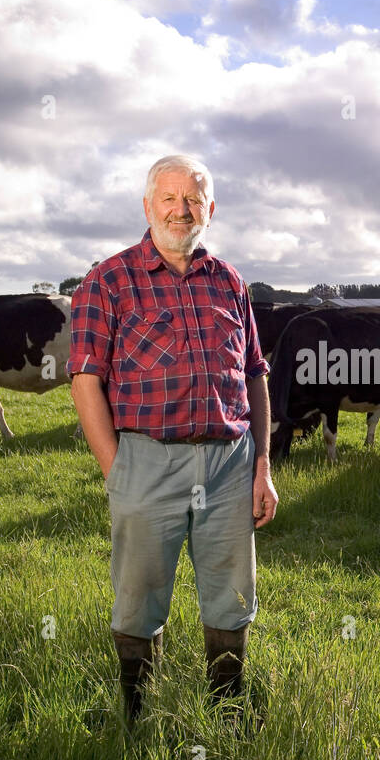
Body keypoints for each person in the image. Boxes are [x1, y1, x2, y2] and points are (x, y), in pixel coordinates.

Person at [68, 154, 278, 725]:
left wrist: (261, 465)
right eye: (169, 198)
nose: (181, 210)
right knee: (139, 595)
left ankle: (227, 709)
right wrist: (117, 468)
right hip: (146, 459)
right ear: (147, 206)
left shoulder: (230, 281)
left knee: (233, 593)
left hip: (230, 462)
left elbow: (255, 371)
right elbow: (85, 378)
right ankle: (139, 712)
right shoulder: (108, 280)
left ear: (210, 209)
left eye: (193, 199)